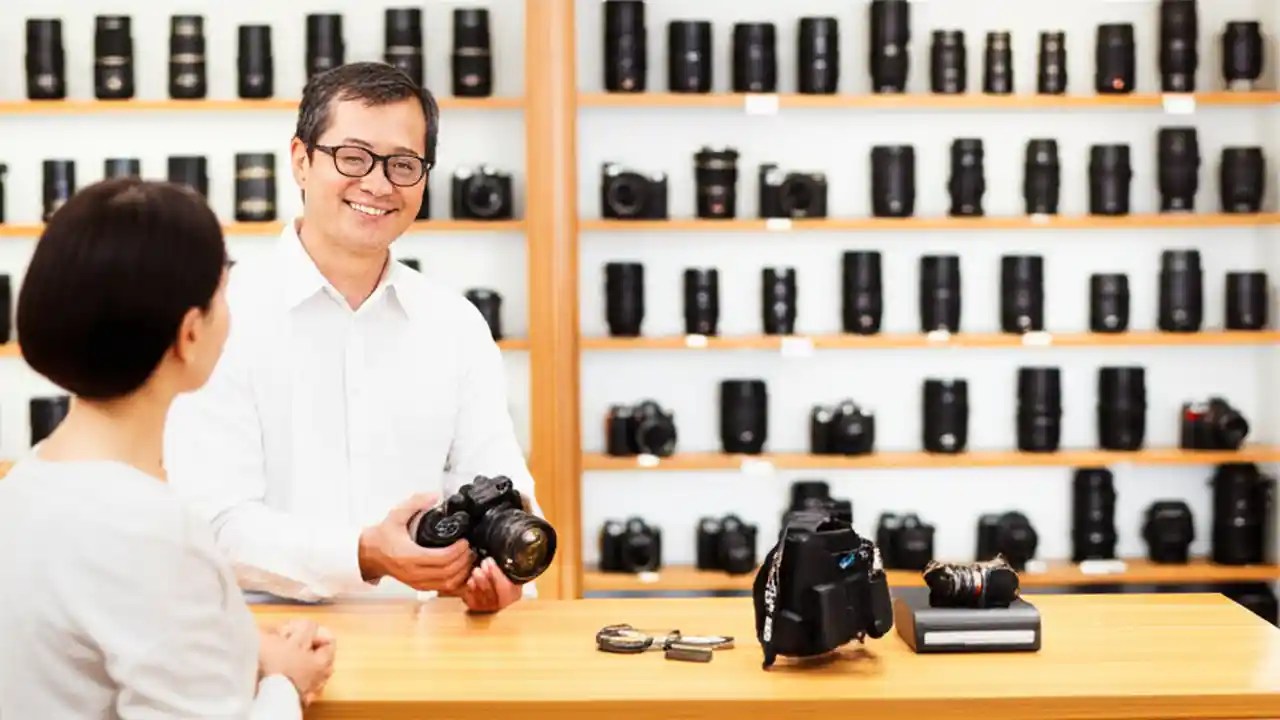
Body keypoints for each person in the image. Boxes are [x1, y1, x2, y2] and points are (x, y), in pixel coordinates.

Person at [163, 61, 540, 611]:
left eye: (404, 164)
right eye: (353, 157)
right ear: (300, 161)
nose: (379, 183)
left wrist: (505, 569)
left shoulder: (454, 324)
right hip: (264, 655)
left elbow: (499, 479)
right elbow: (214, 525)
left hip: (431, 650)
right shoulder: (222, 316)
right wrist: (363, 554)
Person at [0, 179, 336, 718]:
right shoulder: (151, 531)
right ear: (189, 334)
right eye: (222, 291)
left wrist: (236, 648)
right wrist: (283, 685)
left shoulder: (24, 488)